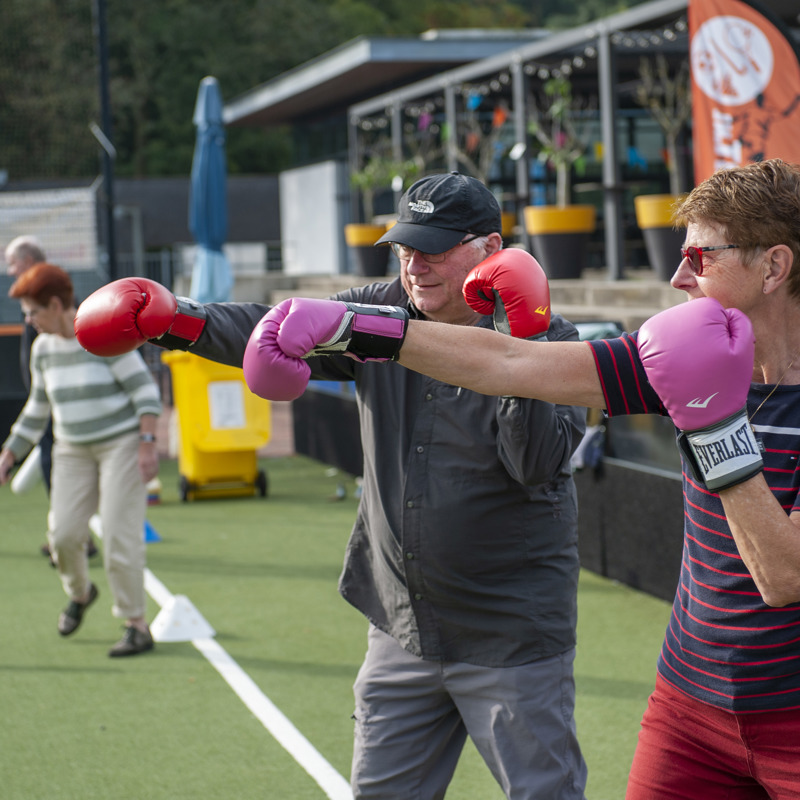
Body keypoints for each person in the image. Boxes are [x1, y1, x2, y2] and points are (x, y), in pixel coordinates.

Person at [232, 158, 800, 799]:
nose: (677, 278)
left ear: (773, 267)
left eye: (700, 258)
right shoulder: (686, 352)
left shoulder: (701, 372)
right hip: (689, 704)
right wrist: (360, 330)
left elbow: (784, 576)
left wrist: (714, 425)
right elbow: (507, 362)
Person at [73, 173, 589, 798]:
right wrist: (178, 321)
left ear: (491, 250)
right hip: (403, 627)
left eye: (434, 249)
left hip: (510, 635)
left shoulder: (555, 341)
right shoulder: (380, 311)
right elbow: (276, 326)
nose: (415, 265)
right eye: (405, 248)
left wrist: (524, 343)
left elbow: (535, 463)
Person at [0, 263, 161, 657]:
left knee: (120, 536)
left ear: (56, 305)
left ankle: (136, 624)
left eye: (33, 312)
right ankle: (81, 593)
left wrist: (146, 443)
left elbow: (145, 392)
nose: (29, 320)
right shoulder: (42, 349)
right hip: (71, 450)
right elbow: (38, 408)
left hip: (120, 445)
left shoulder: (101, 335)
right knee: (63, 536)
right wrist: (10, 452)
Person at [3, 235, 98, 562]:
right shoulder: (37, 302)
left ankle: (76, 534)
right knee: (53, 465)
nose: (9, 270)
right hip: (49, 400)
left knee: (55, 464)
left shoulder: (52, 295)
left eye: (12, 263)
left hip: (63, 408)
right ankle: (66, 534)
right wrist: (10, 453)